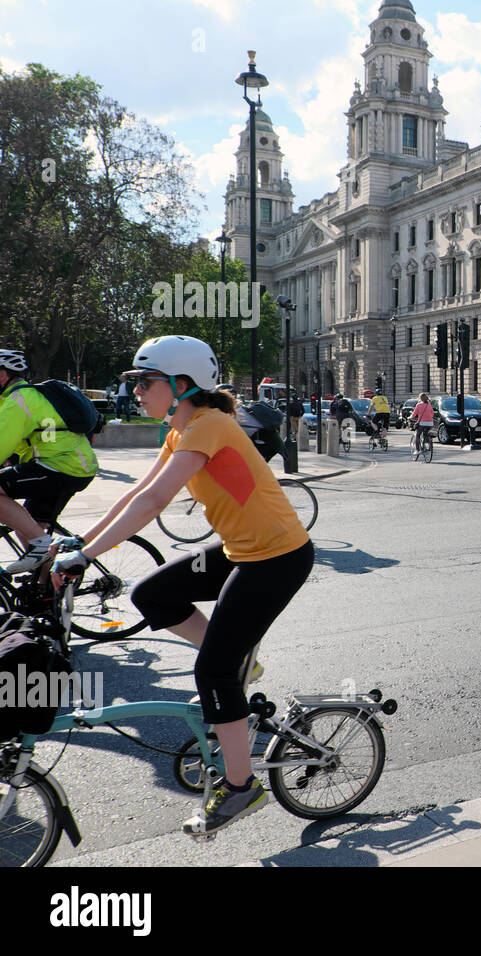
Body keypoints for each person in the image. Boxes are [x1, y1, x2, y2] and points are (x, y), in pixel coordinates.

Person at [53, 335, 313, 836]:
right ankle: (241, 662)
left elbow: (153, 504)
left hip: (278, 558)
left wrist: (85, 555)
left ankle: (241, 789)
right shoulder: (182, 430)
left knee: (212, 671)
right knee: (151, 595)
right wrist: (77, 543)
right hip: (243, 550)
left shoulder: (210, 425)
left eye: (145, 382)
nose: (138, 391)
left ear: (181, 384)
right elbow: (139, 492)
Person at [0, 350, 99, 572]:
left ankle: (42, 544)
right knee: (28, 529)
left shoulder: (20, 399)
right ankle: (46, 597)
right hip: (68, 466)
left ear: (3, 375)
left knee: (34, 536)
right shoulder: (14, 398)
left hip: (61, 466)